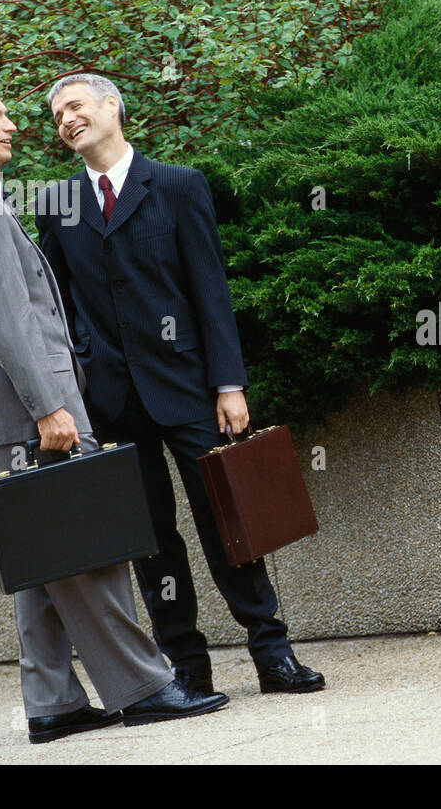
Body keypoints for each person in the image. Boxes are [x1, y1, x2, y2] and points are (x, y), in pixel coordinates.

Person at [0, 72, 229, 742]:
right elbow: (8, 323)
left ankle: (53, 701)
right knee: (92, 557)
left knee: (41, 559)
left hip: (10, 414)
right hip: (38, 412)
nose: (12, 126)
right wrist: (51, 407)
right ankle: (146, 686)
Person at [35, 74, 323, 695]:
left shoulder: (177, 186)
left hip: (190, 388)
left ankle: (272, 653)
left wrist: (229, 383)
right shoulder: (57, 205)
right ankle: (186, 667)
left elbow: (209, 292)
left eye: (75, 106)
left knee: (231, 521)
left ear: (112, 106)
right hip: (110, 400)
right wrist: (76, 374)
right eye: (57, 115)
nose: (66, 120)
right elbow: (56, 306)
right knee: (151, 542)